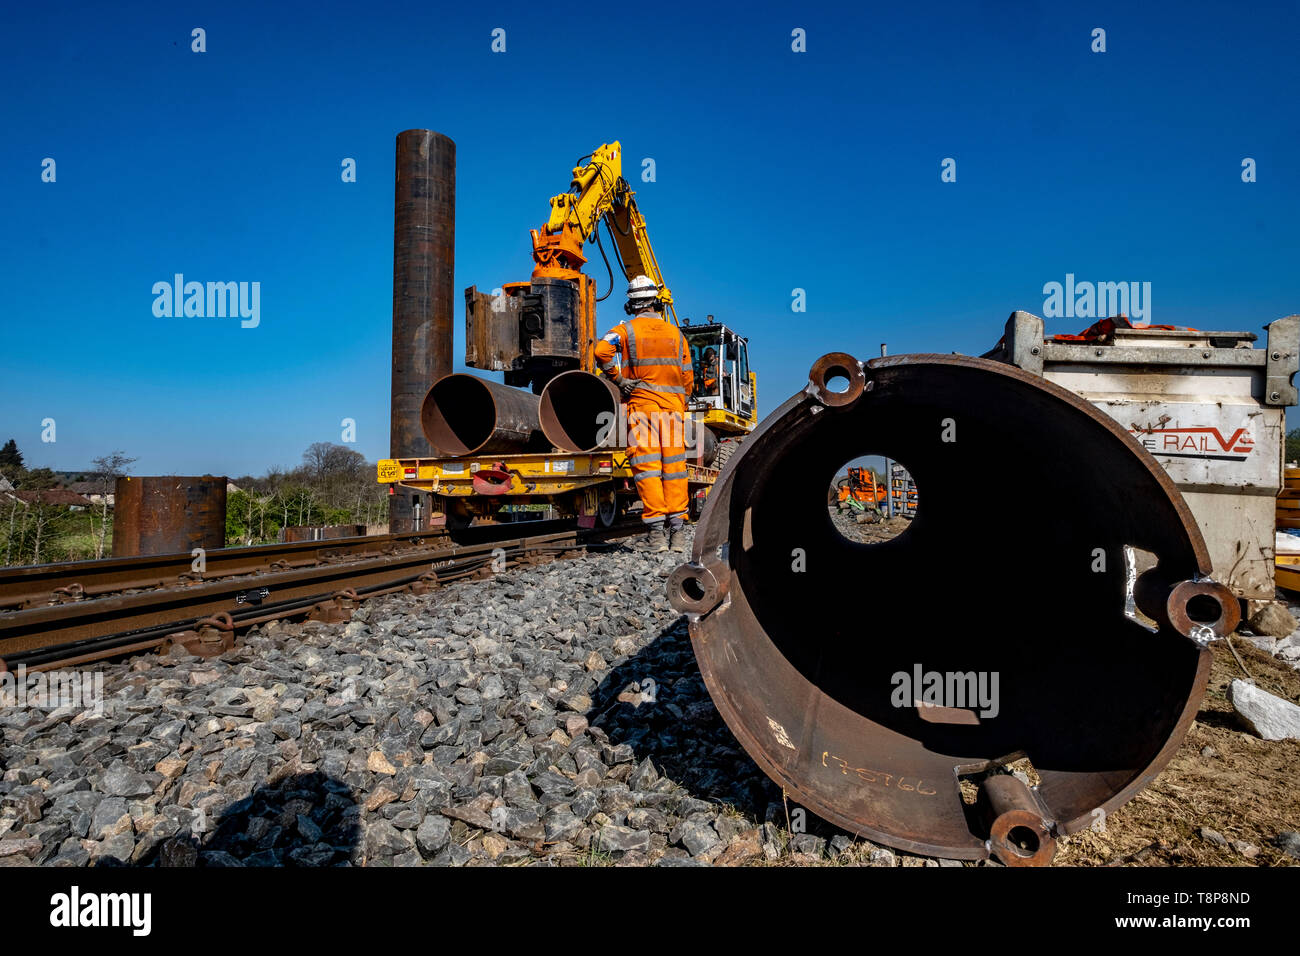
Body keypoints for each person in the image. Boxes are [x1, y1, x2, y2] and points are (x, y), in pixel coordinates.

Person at [594, 275, 693, 553]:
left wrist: (617, 379)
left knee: (648, 470)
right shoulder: (677, 334)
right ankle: (678, 536)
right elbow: (688, 377)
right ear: (656, 303)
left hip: (643, 409)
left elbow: (601, 351)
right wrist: (679, 403)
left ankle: (656, 537)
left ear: (631, 304)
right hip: (672, 411)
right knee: (674, 470)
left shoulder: (626, 331)